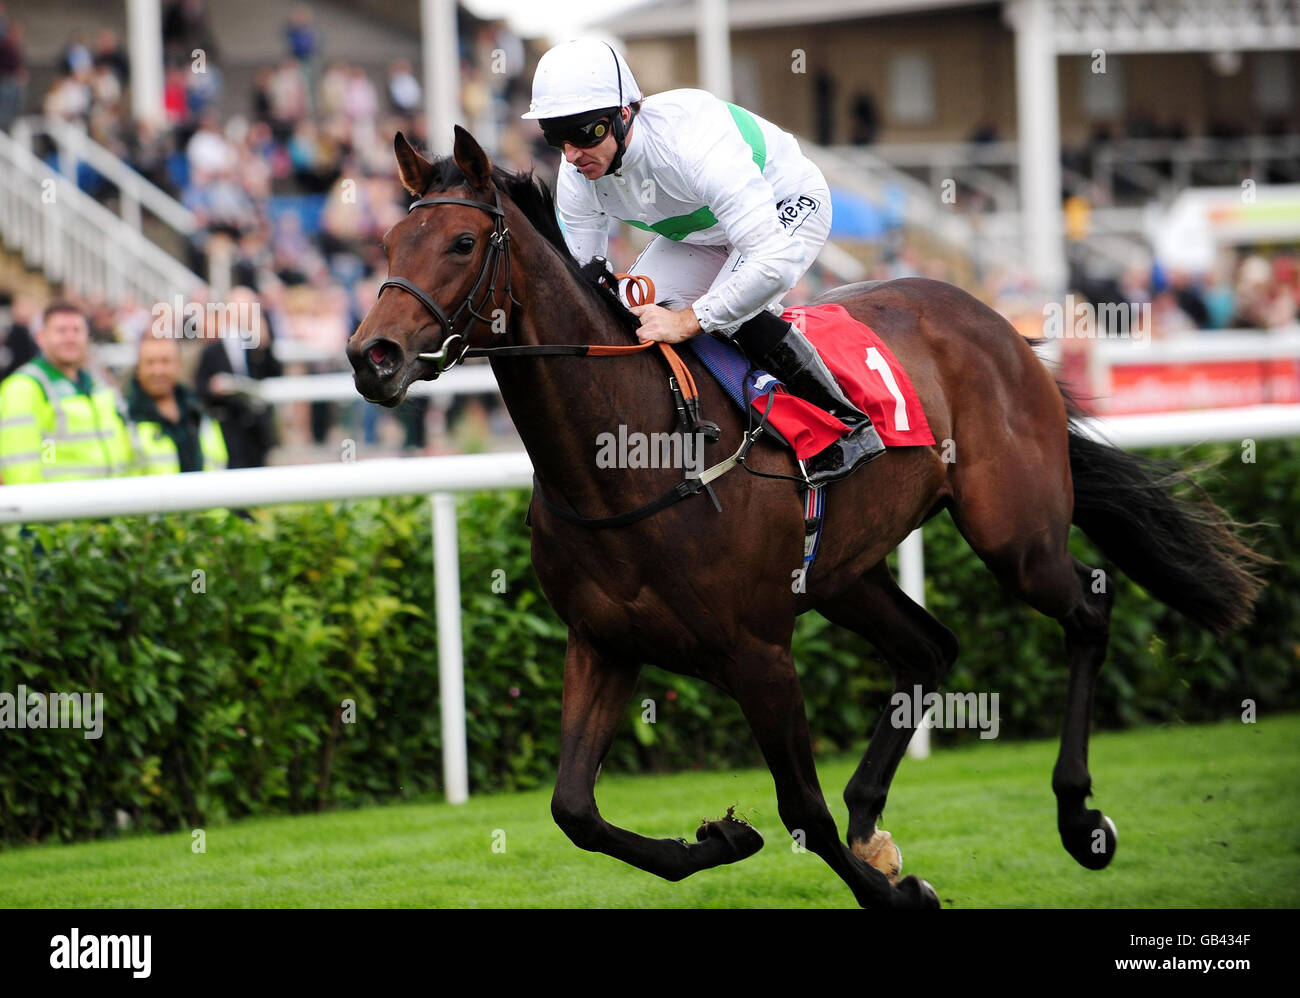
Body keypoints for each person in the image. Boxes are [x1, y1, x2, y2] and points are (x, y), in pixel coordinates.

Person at [522, 38, 883, 483]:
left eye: (585, 132)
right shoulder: (577, 171)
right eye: (556, 136)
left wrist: (689, 320)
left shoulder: (691, 142)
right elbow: (584, 274)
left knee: (729, 313)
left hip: (782, 203)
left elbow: (770, 263)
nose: (573, 153)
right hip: (703, 231)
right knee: (629, 311)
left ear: (624, 114)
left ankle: (847, 424)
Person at [0, 301, 133, 484]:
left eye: (77, 330)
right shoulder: (25, 386)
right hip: (63, 507)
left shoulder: (96, 383)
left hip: (112, 503)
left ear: (88, 336)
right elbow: (24, 460)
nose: (70, 337)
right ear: (41, 337)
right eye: (61, 331)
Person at [127, 332, 227, 474]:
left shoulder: (198, 412)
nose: (158, 371)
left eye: (165, 361)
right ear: (138, 368)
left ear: (179, 364)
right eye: (150, 362)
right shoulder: (125, 418)